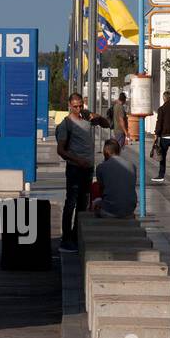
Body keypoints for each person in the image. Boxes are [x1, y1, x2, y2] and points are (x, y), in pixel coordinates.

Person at [56, 91, 110, 249]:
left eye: (80, 105)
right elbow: (60, 150)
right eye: (75, 106)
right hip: (75, 168)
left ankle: (76, 235)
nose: (78, 109)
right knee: (71, 202)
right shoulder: (66, 125)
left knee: (83, 203)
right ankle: (66, 239)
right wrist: (77, 160)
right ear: (69, 106)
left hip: (88, 168)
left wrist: (99, 118)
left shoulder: (86, 116)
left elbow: (107, 124)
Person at [93, 138, 137, 219]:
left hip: (110, 211)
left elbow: (101, 189)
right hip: (129, 210)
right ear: (119, 151)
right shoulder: (132, 166)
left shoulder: (101, 167)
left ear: (105, 152)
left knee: (95, 199)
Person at [152, 91, 170, 179]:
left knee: (162, 157)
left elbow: (159, 122)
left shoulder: (161, 109)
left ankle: (161, 175)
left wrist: (156, 133)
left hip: (164, 137)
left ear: (164, 98)